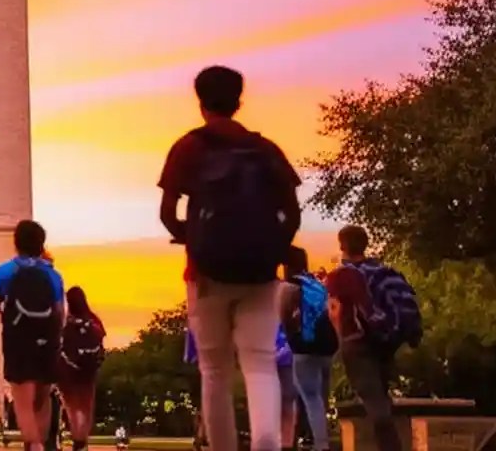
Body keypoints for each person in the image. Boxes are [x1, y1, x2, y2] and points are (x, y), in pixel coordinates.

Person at [159, 66, 302, 451]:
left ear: (200, 101)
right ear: (239, 101)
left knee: (214, 371)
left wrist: (195, 240)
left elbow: (168, 214)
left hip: (206, 274)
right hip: (260, 274)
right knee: (260, 363)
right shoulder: (266, 149)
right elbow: (293, 213)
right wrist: (271, 247)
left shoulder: (188, 147)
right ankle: (267, 442)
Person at [325, 226, 401, 451]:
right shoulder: (380, 270)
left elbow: (335, 311)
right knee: (382, 398)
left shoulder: (341, 276)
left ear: (342, 245)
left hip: (356, 342)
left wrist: (341, 338)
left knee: (374, 403)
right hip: (385, 340)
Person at [0, 220, 65, 451]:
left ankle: (34, 445)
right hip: (47, 339)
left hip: (18, 341)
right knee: (42, 401)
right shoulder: (53, 275)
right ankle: (41, 443)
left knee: (22, 402)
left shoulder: (5, 272)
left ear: (16, 243)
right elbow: (59, 312)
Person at [279, 247, 337, 451]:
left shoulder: (288, 288)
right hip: (328, 348)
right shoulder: (317, 285)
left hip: (303, 349)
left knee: (310, 398)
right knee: (320, 397)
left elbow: (281, 319)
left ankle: (321, 445)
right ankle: (315, 439)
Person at [57, 287, 105, 451]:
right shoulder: (94, 321)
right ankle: (82, 440)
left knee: (72, 407)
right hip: (88, 371)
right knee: (86, 406)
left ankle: (77, 438)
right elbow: (101, 340)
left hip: (68, 372)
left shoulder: (66, 324)